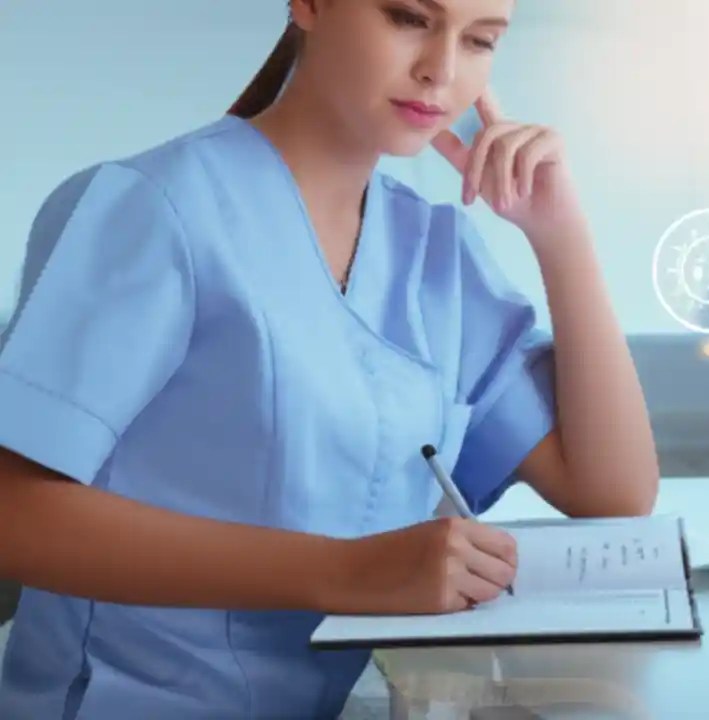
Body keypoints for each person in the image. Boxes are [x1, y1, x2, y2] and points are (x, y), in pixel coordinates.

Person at [0, 0, 659, 716]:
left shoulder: (433, 252)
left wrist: (559, 233)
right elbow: (14, 513)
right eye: (408, 18)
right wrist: (346, 571)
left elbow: (612, 492)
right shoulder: (154, 209)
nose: (441, 70)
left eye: (479, 41)